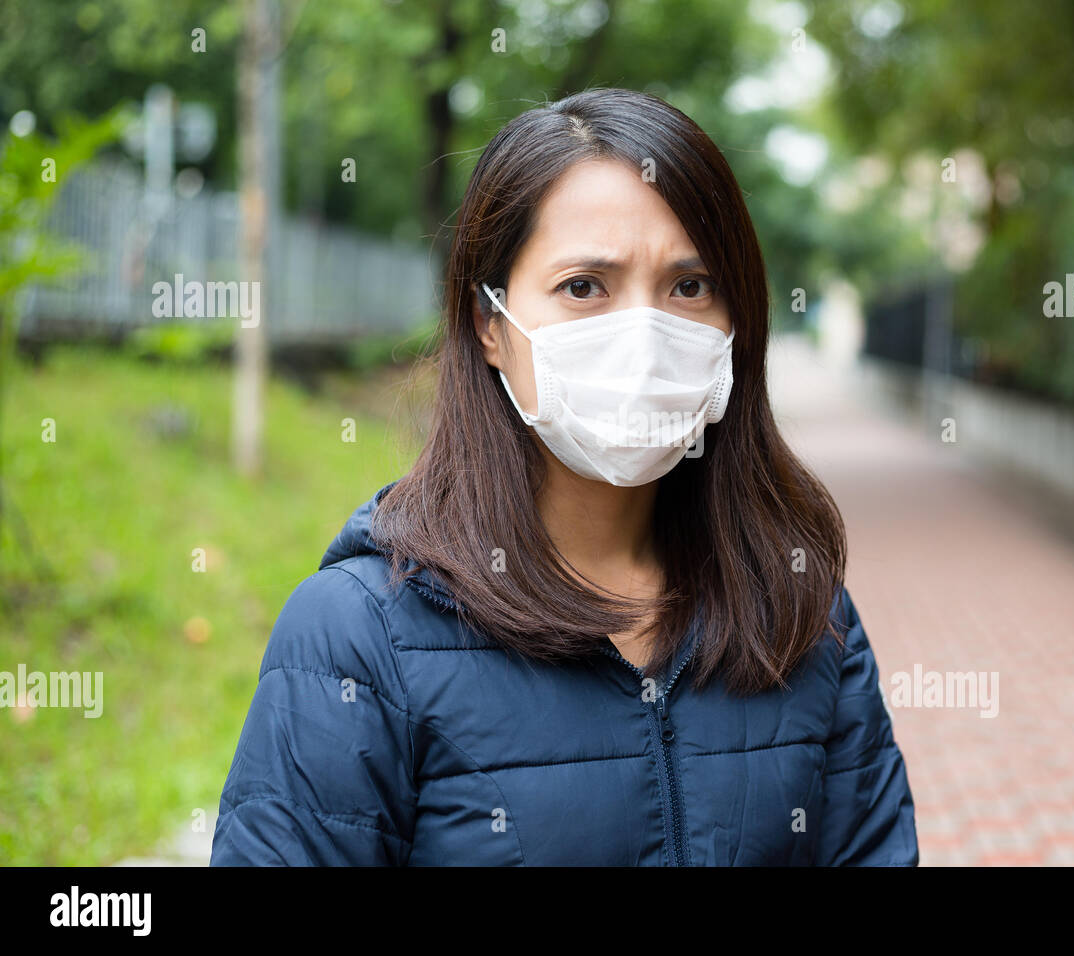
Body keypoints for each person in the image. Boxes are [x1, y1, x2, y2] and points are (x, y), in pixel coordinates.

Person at [210, 87, 918, 866]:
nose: (645, 337)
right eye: (585, 287)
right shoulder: (359, 637)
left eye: (690, 286)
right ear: (490, 323)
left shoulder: (802, 613)